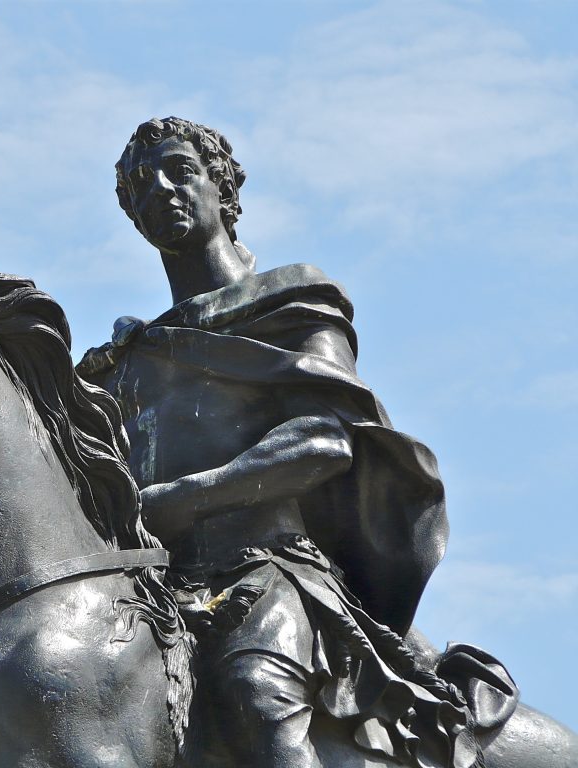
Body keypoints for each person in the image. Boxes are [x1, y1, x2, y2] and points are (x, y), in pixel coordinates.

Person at [78, 117, 512, 767]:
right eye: (141, 184)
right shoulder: (122, 362)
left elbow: (325, 440)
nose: (160, 189)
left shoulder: (292, 301)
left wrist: (183, 498)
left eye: (180, 171)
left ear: (223, 189)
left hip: (263, 570)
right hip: (152, 589)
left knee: (254, 690)